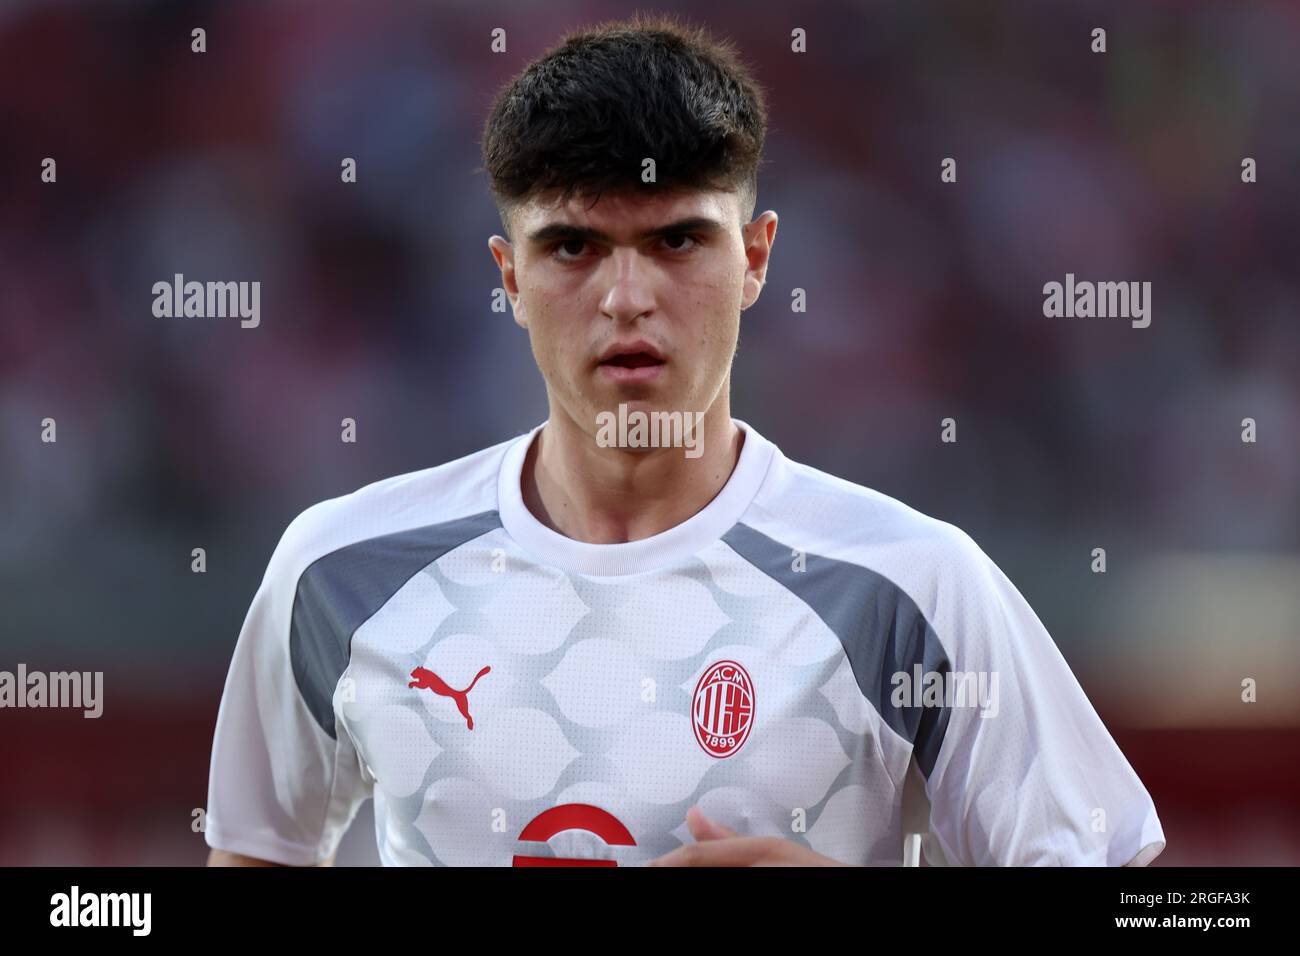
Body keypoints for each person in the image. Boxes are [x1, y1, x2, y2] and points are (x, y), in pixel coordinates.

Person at [205, 13, 1164, 867]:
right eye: (573, 246)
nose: (627, 299)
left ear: (754, 258)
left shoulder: (909, 584)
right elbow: (257, 852)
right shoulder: (339, 572)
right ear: (507, 276)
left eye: (677, 241)